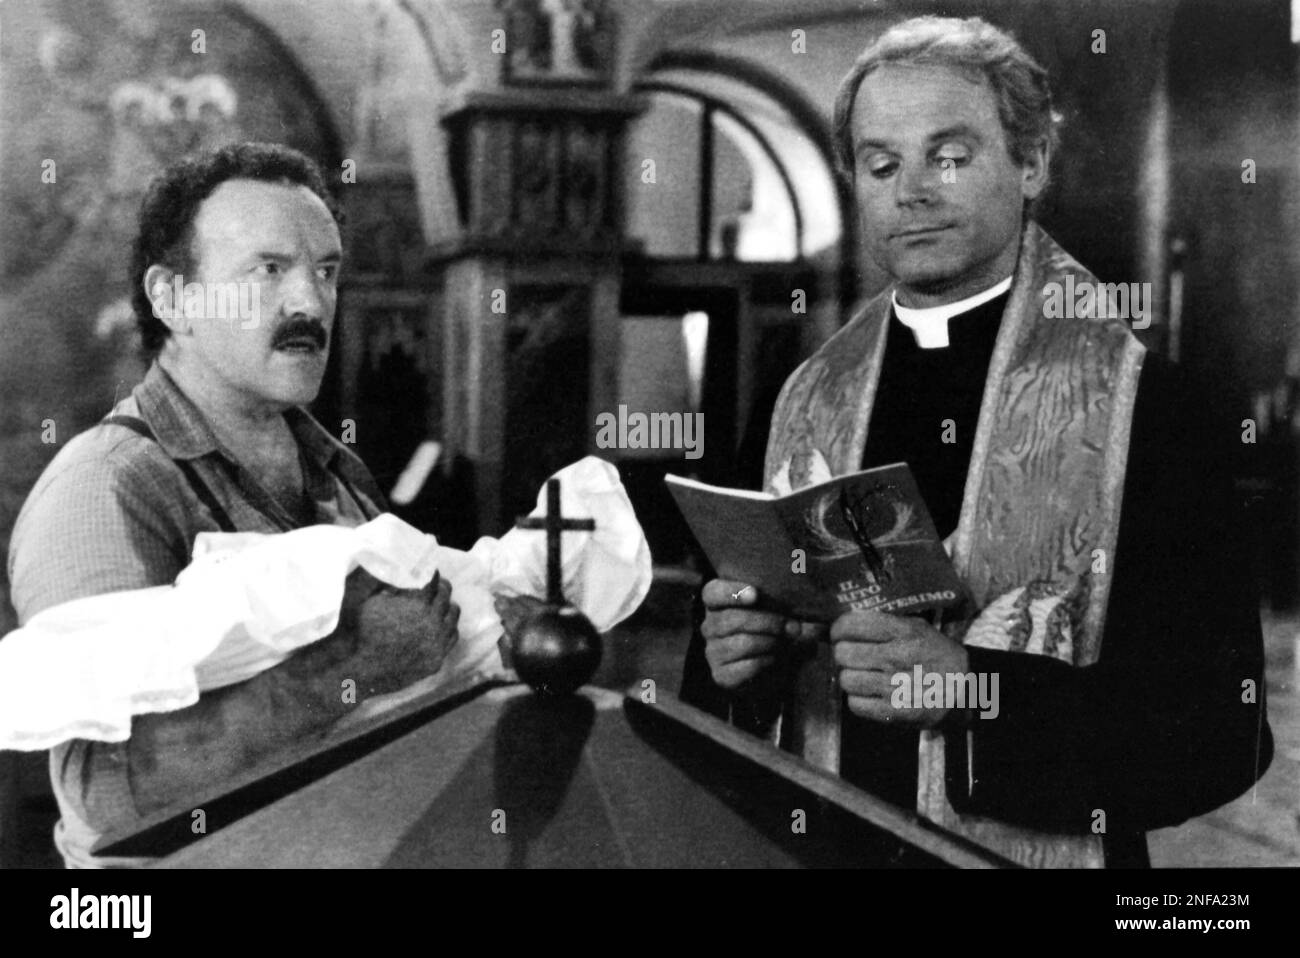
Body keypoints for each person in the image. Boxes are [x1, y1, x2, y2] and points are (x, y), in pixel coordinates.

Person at [683, 16, 1272, 867]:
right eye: (881, 165)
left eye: (949, 156)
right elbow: (722, 687)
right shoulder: (798, 401)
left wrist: (973, 690)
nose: (911, 190)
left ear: (1030, 163)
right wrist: (736, 665)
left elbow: (1224, 730)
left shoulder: (1150, 405)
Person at [8, 142, 461, 867]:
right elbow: (107, 794)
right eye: (268, 270)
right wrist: (351, 666)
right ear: (172, 297)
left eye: (326, 271)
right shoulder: (105, 487)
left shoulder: (335, 471)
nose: (310, 303)